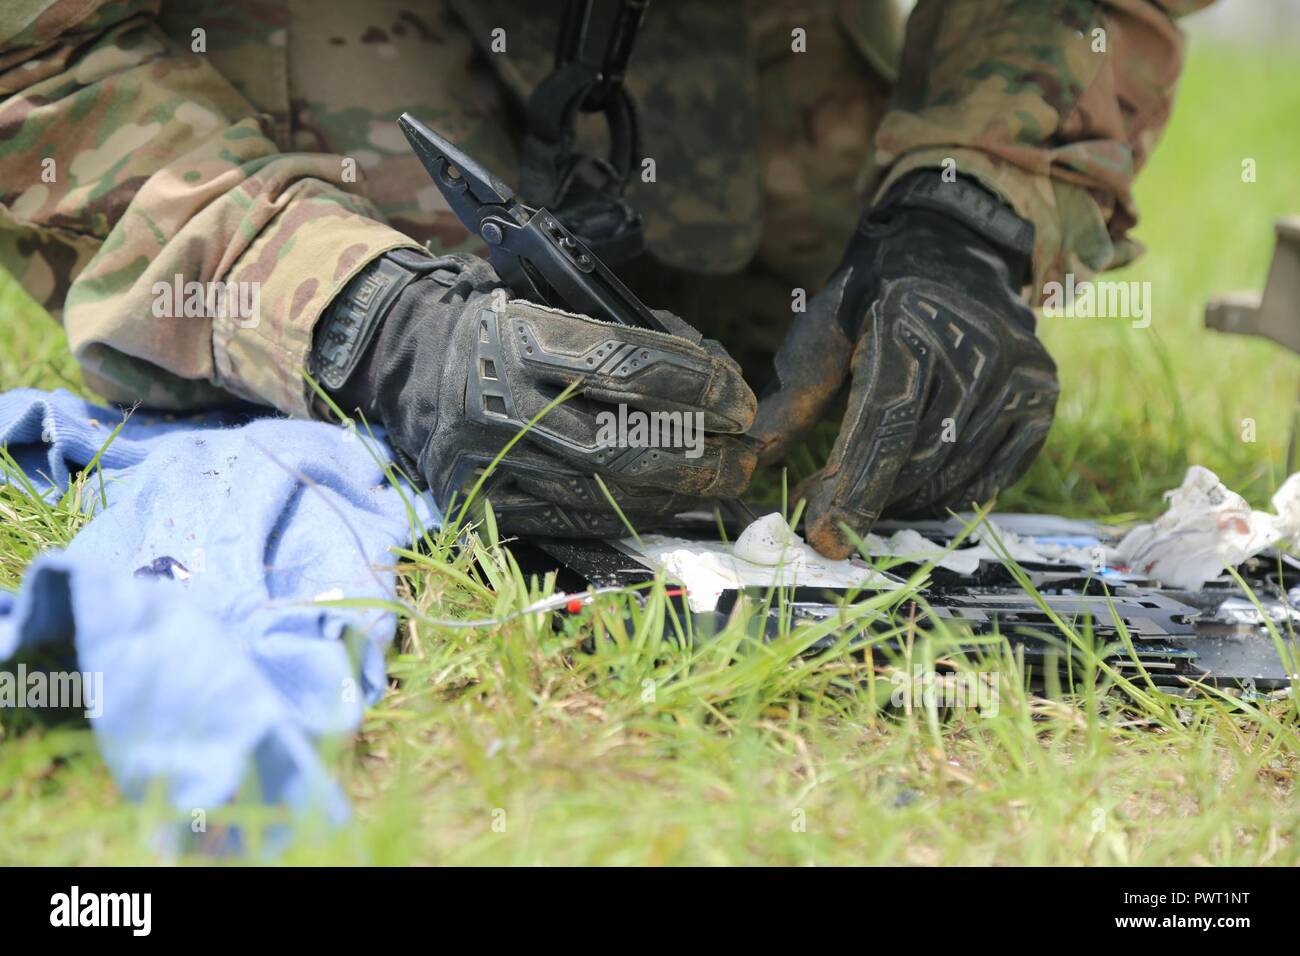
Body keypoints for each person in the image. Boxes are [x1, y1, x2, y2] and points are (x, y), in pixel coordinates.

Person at [0, 0, 1211, 555]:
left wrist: (970, 212)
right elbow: (33, 64)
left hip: (753, 104)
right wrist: (369, 324)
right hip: (311, 102)